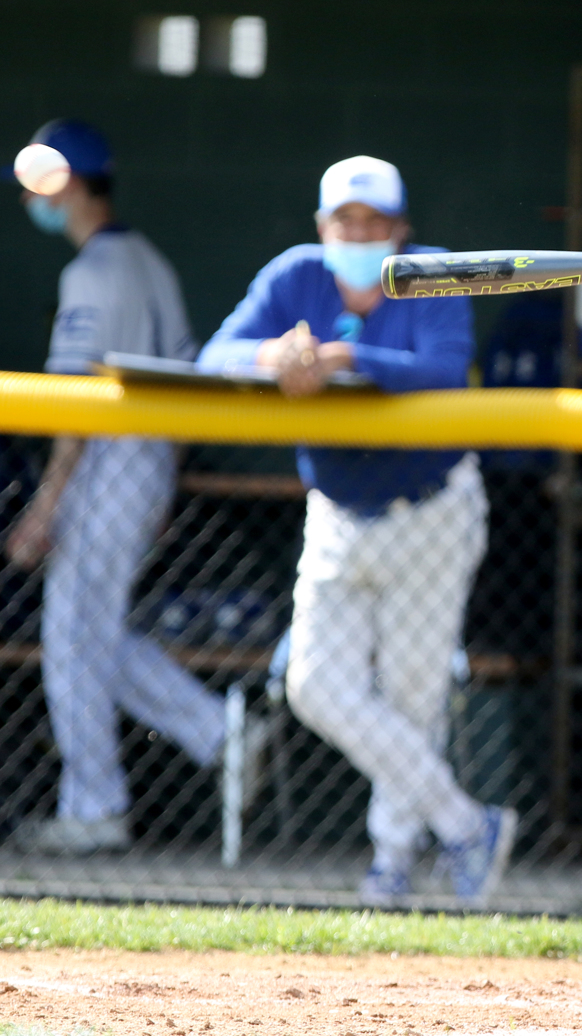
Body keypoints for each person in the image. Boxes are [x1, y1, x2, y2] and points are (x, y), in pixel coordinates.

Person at [198, 155, 515, 906]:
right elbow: (214, 355)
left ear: (401, 228)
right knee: (313, 686)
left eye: (376, 223)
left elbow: (444, 368)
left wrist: (348, 358)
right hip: (338, 511)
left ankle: (391, 864)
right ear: (323, 226)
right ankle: (467, 824)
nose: (360, 234)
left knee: (414, 694)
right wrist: (272, 356)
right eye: (347, 221)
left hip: (430, 506)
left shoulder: (433, 271)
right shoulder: (296, 274)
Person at [3, 119, 260, 856]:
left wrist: (43, 508)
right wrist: (165, 488)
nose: (29, 199)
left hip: (104, 466)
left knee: (70, 635)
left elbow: (73, 410)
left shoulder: (92, 272)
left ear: (66, 182)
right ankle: (218, 732)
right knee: (91, 635)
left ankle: (95, 804)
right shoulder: (150, 260)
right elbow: (189, 385)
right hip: (146, 467)